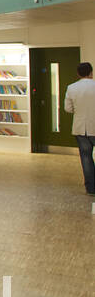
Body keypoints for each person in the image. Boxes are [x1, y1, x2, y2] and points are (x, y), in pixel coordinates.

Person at [64, 61, 95, 196]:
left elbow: (68, 108)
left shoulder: (71, 88)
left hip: (80, 127)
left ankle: (91, 188)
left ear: (78, 73)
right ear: (91, 72)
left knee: (86, 157)